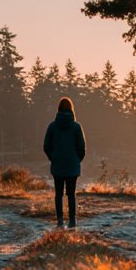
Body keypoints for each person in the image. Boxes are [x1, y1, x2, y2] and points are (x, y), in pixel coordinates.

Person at [43, 96, 86, 229]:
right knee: (71, 194)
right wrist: (76, 160)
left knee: (58, 194)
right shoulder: (76, 127)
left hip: (58, 166)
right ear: (71, 109)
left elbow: (46, 146)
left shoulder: (52, 126)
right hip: (72, 166)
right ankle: (72, 221)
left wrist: (54, 158)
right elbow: (82, 148)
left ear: (59, 109)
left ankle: (60, 221)